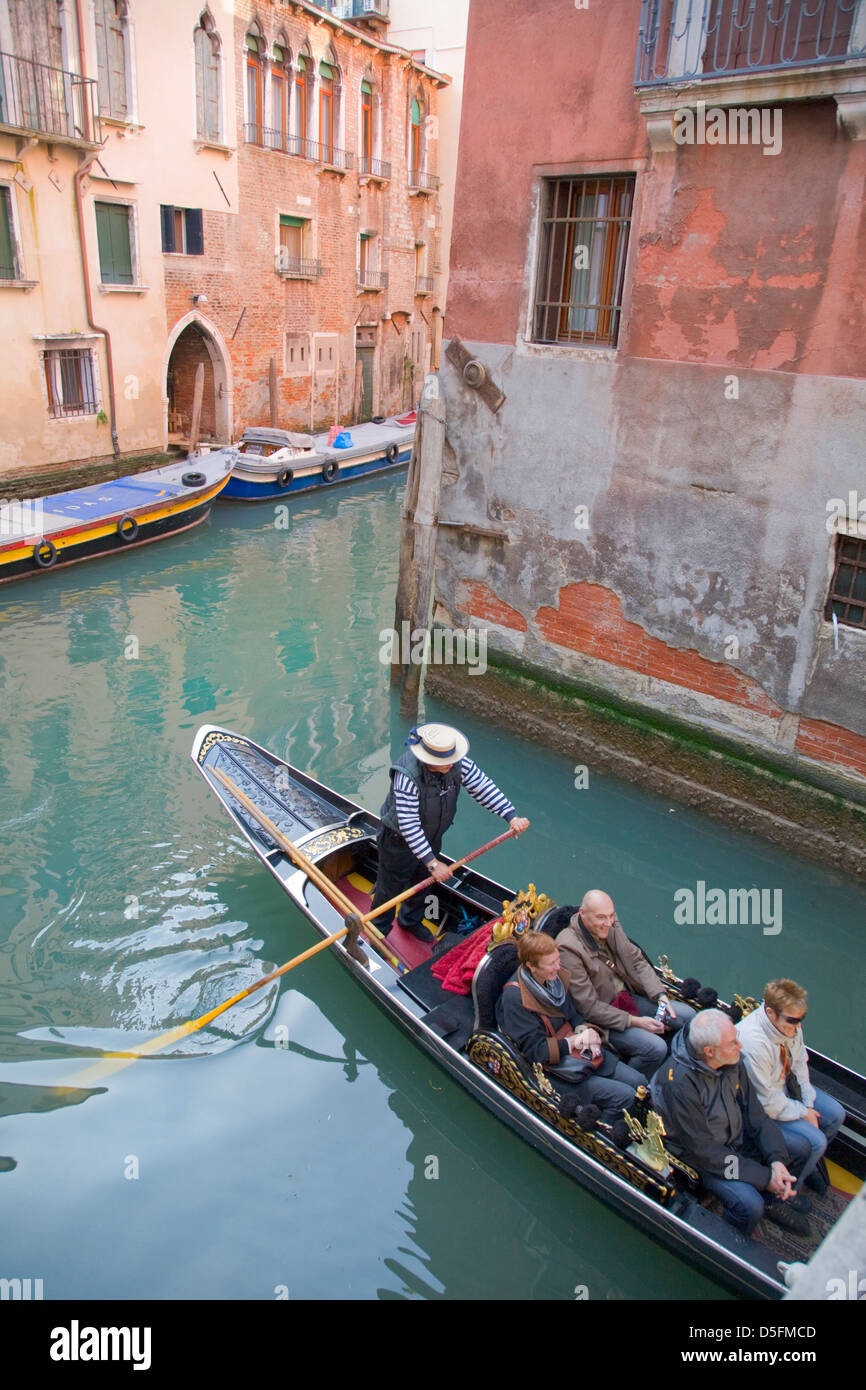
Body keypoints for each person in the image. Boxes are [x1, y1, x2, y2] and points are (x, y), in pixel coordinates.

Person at [650, 1009, 812, 1236]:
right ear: (709, 1051)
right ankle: (730, 1236)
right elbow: (705, 1152)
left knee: (800, 1148)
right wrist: (764, 1178)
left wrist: (777, 1161)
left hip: (733, 1135)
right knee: (749, 1205)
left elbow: (756, 1115)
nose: (740, 1046)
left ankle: (773, 1199)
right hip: (699, 1159)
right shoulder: (679, 1086)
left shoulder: (730, 1059)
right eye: (733, 1043)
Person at [370, 723, 529, 941]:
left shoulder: (456, 763)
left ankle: (410, 921)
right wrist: (433, 863)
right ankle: (377, 930)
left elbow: (482, 786)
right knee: (389, 888)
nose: (451, 764)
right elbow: (409, 825)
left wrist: (511, 816)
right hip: (397, 840)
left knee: (423, 882)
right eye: (444, 761)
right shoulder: (407, 776)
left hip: (432, 835)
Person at [496, 931, 644, 1123]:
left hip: (579, 1051)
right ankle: (604, 1130)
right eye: (551, 964)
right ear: (531, 966)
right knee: (625, 1097)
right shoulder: (514, 998)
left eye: (557, 960)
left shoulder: (554, 980)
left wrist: (586, 1031)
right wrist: (574, 1041)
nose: (558, 967)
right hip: (554, 1069)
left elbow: (573, 1015)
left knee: (639, 1082)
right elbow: (536, 1052)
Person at [555, 890, 695, 1079]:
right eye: (601, 917)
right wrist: (637, 1022)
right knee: (655, 1047)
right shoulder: (567, 947)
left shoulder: (610, 922)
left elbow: (636, 959)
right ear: (582, 914)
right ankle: (639, 1085)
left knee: (687, 1015)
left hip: (627, 998)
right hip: (602, 1020)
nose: (609, 922)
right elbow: (589, 1008)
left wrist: (660, 995)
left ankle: (673, 1070)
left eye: (611, 916)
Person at [736, 979, 845, 1194]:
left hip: (785, 1091)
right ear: (770, 1013)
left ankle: (806, 1164)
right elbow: (766, 1102)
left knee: (835, 1114)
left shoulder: (791, 1027)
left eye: (801, 1019)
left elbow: (799, 1064)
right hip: (760, 1107)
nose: (798, 1026)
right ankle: (785, 1191)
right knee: (816, 1141)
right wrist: (804, 1113)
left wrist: (808, 1103)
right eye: (793, 1020)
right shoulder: (753, 1043)